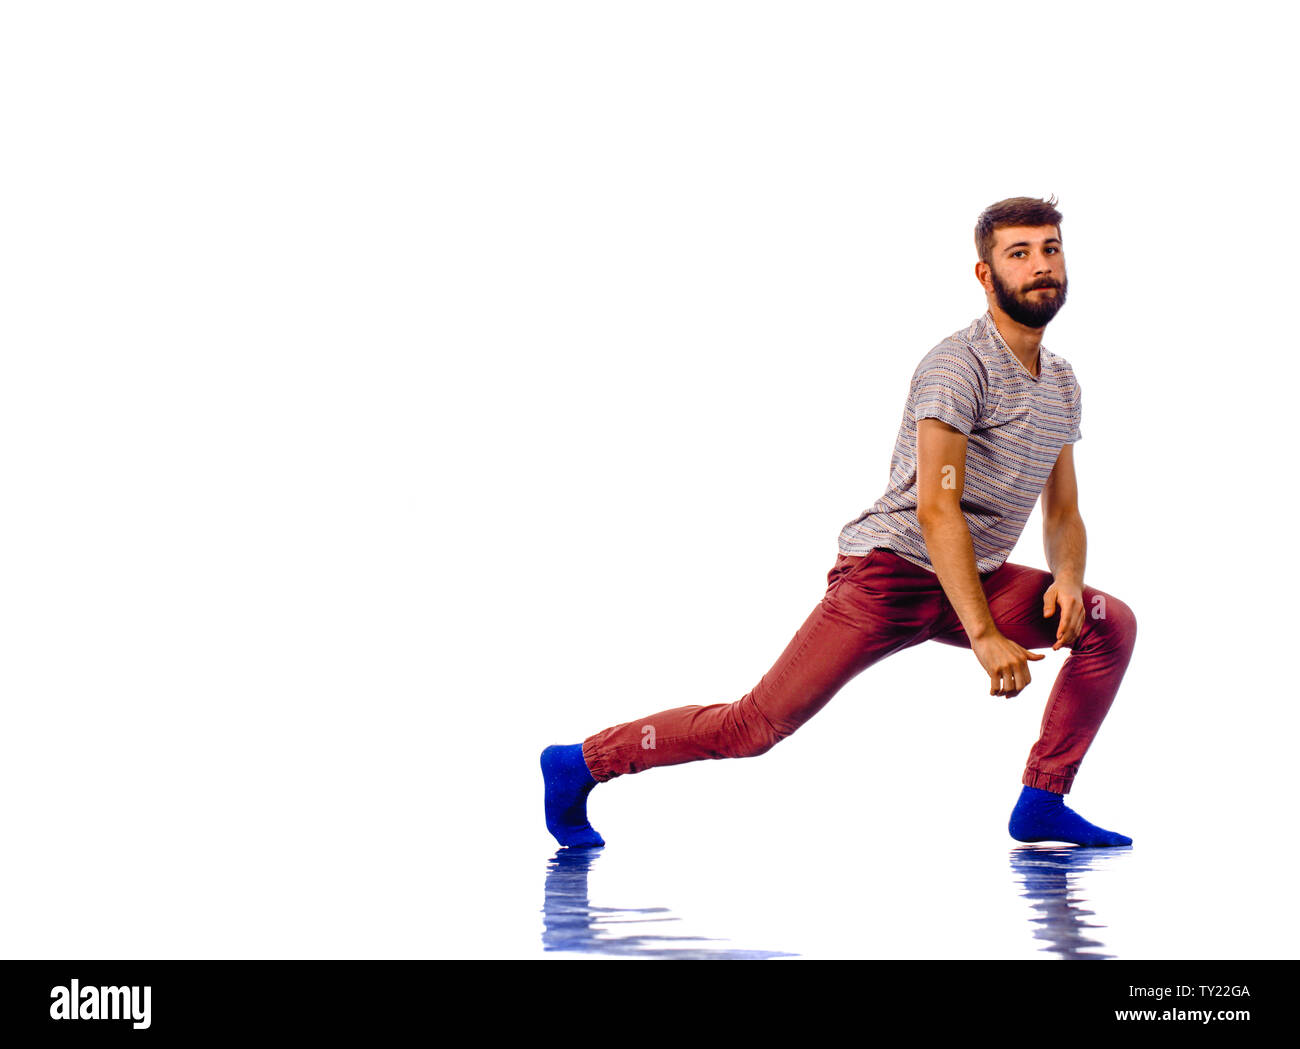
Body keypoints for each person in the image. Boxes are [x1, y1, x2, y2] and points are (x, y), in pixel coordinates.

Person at [542, 195, 1136, 850]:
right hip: (888, 577)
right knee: (752, 727)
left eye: (1050, 249)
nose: (1040, 266)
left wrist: (1071, 579)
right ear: (985, 274)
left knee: (1110, 623)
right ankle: (578, 763)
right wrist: (985, 634)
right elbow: (937, 508)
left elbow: (1063, 510)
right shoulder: (958, 366)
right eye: (1018, 254)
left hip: (976, 575)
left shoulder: (1061, 382)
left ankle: (1042, 799)